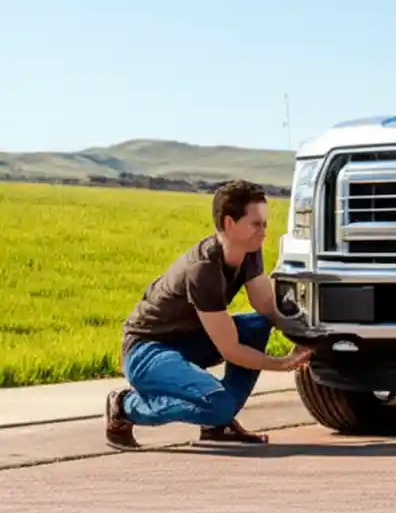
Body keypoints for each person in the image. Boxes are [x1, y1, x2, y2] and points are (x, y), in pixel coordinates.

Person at [105, 179, 314, 449]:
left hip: (191, 341)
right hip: (147, 351)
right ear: (229, 223)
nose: (264, 231)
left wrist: (303, 337)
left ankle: (218, 423)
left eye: (264, 223)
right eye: (256, 224)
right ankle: (125, 407)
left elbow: (267, 307)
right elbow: (230, 349)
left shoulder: (249, 250)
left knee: (258, 325)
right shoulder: (203, 269)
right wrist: (282, 364)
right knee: (218, 404)